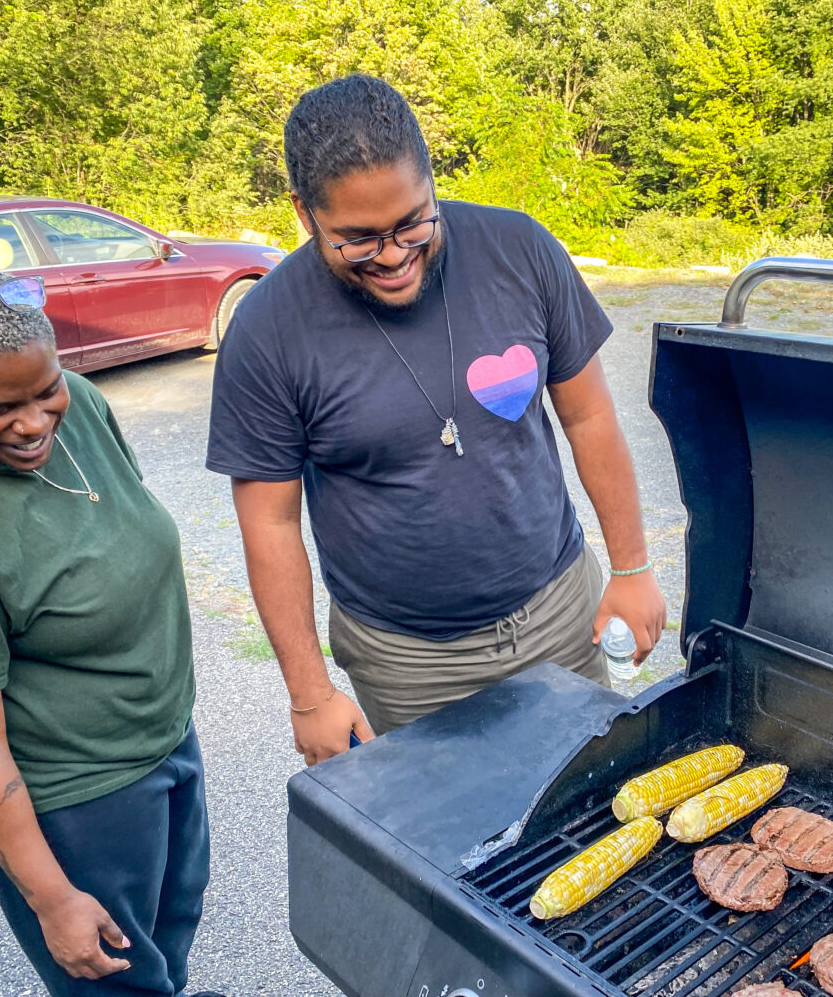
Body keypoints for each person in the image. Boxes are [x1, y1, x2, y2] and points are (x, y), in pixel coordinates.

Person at [206, 74, 667, 765]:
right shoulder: (268, 330)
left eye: (412, 223)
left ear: (431, 179)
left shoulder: (522, 250)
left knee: (586, 805)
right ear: (305, 214)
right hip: (407, 661)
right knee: (453, 845)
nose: (392, 255)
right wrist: (309, 693)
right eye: (358, 239)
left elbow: (590, 416)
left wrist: (631, 569)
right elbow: (269, 522)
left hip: (559, 613)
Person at [0, 270, 222, 997]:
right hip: (69, 794)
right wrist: (53, 899)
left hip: (160, 738)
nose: (33, 423)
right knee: (112, 977)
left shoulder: (80, 407)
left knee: (166, 938)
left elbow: (121, 522)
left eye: (43, 390)